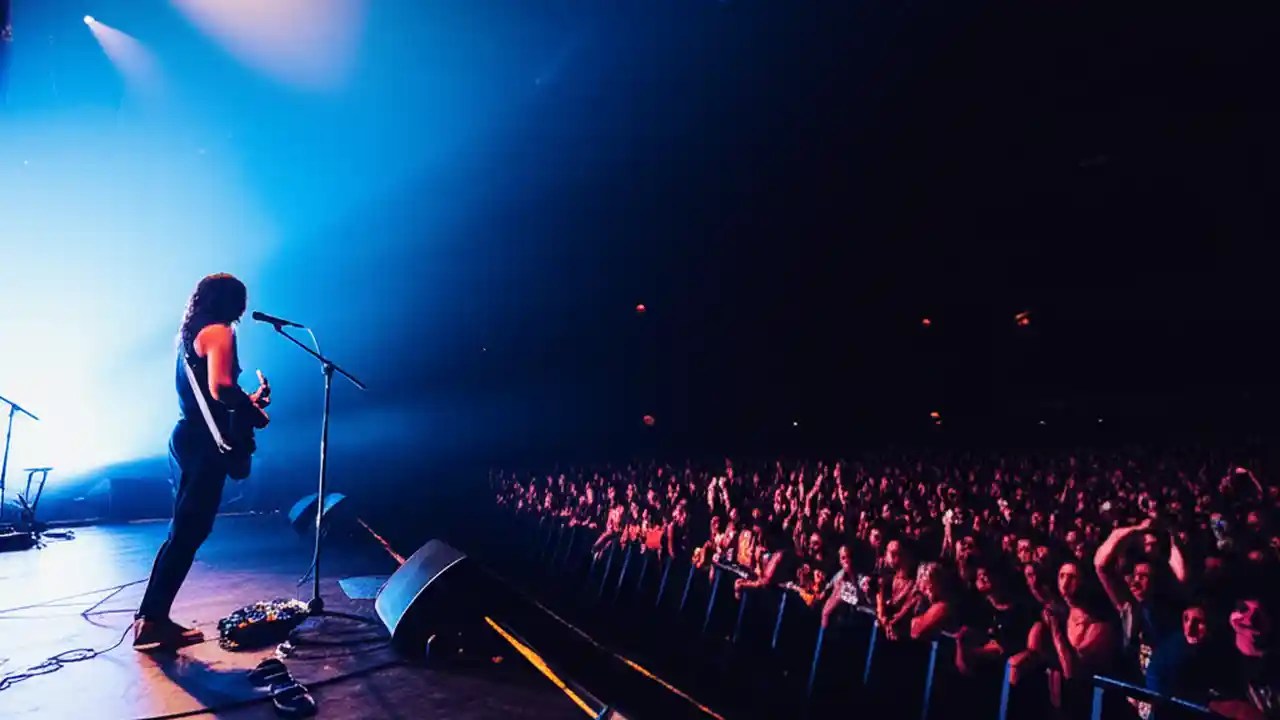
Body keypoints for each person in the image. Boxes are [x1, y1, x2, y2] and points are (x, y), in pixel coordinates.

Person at [134, 274, 270, 651]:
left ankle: (150, 619)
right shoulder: (220, 332)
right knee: (188, 534)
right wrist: (251, 411)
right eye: (241, 299)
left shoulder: (189, 336)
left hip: (187, 437)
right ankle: (152, 622)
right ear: (232, 301)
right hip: (203, 445)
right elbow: (221, 388)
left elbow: (211, 397)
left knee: (183, 532)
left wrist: (249, 401)